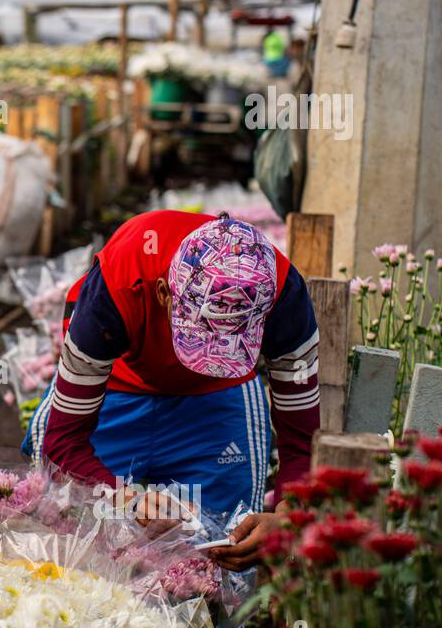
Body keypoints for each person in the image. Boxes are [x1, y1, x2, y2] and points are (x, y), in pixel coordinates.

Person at [23, 210, 320, 571]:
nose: (207, 360)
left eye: (229, 347)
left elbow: (302, 441)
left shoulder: (285, 297)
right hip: (116, 385)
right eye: (200, 342)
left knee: (220, 551)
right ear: (164, 293)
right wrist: (120, 498)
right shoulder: (114, 287)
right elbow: (62, 443)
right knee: (72, 538)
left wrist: (289, 515)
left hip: (218, 398)